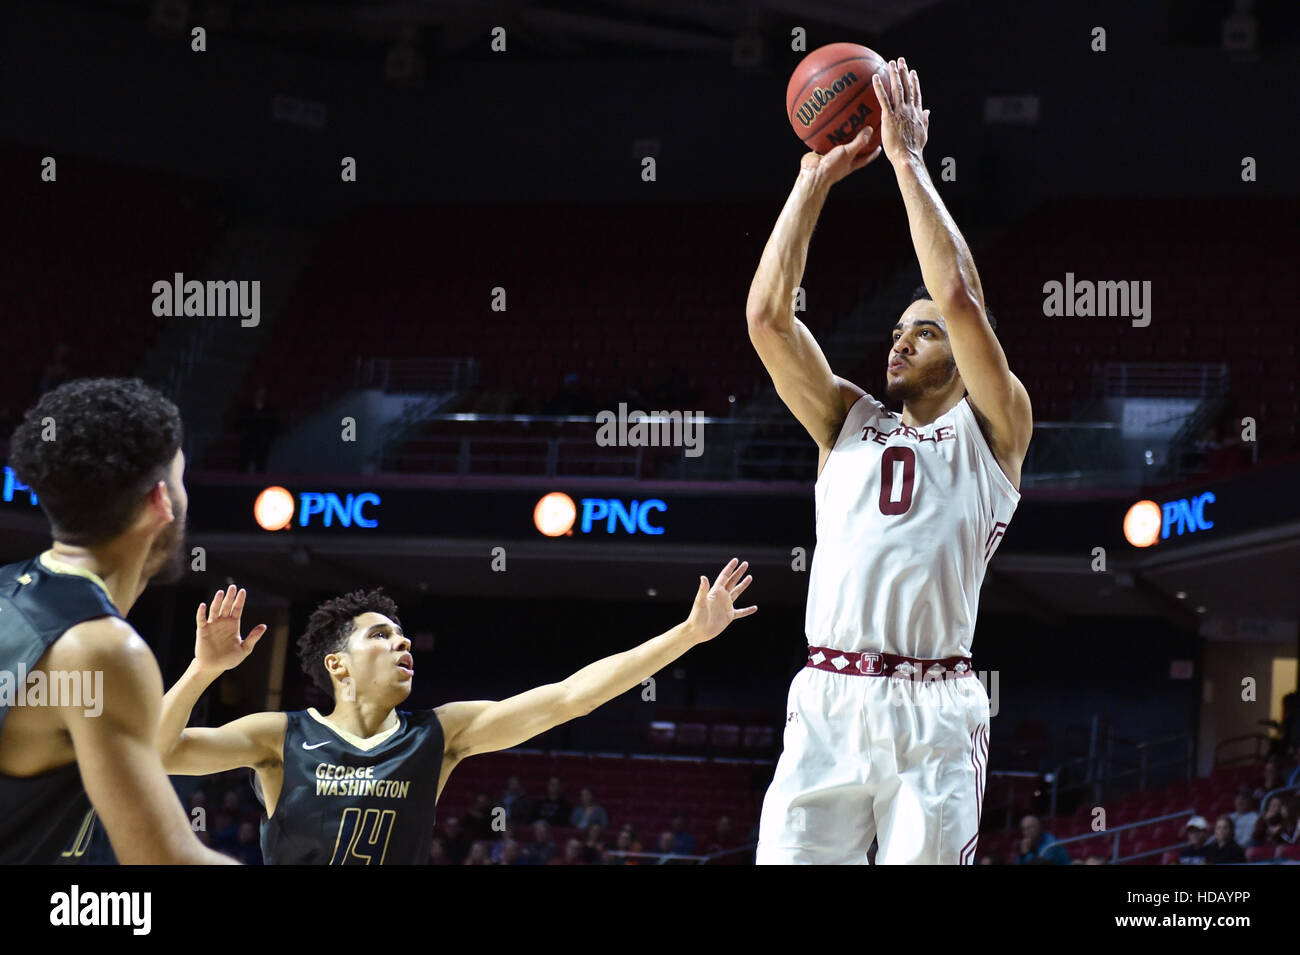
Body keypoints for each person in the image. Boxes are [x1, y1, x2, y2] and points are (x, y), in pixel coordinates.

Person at [748, 59, 1031, 865]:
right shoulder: (846, 419)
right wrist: (813, 180)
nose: (902, 339)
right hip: (828, 697)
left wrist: (906, 158)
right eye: (898, 330)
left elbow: (960, 294)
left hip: (934, 707)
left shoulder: (995, 427)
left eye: (924, 330)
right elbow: (768, 317)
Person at [157, 560, 755, 864]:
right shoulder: (279, 735)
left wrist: (688, 635)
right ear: (337, 665)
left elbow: (574, 696)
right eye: (381, 636)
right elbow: (156, 755)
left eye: (405, 636)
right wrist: (202, 671)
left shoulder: (439, 734)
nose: (404, 643)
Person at [0, 378, 235, 864]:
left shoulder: (9, 591)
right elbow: (167, 859)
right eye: (181, 477)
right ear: (161, 501)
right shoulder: (100, 650)